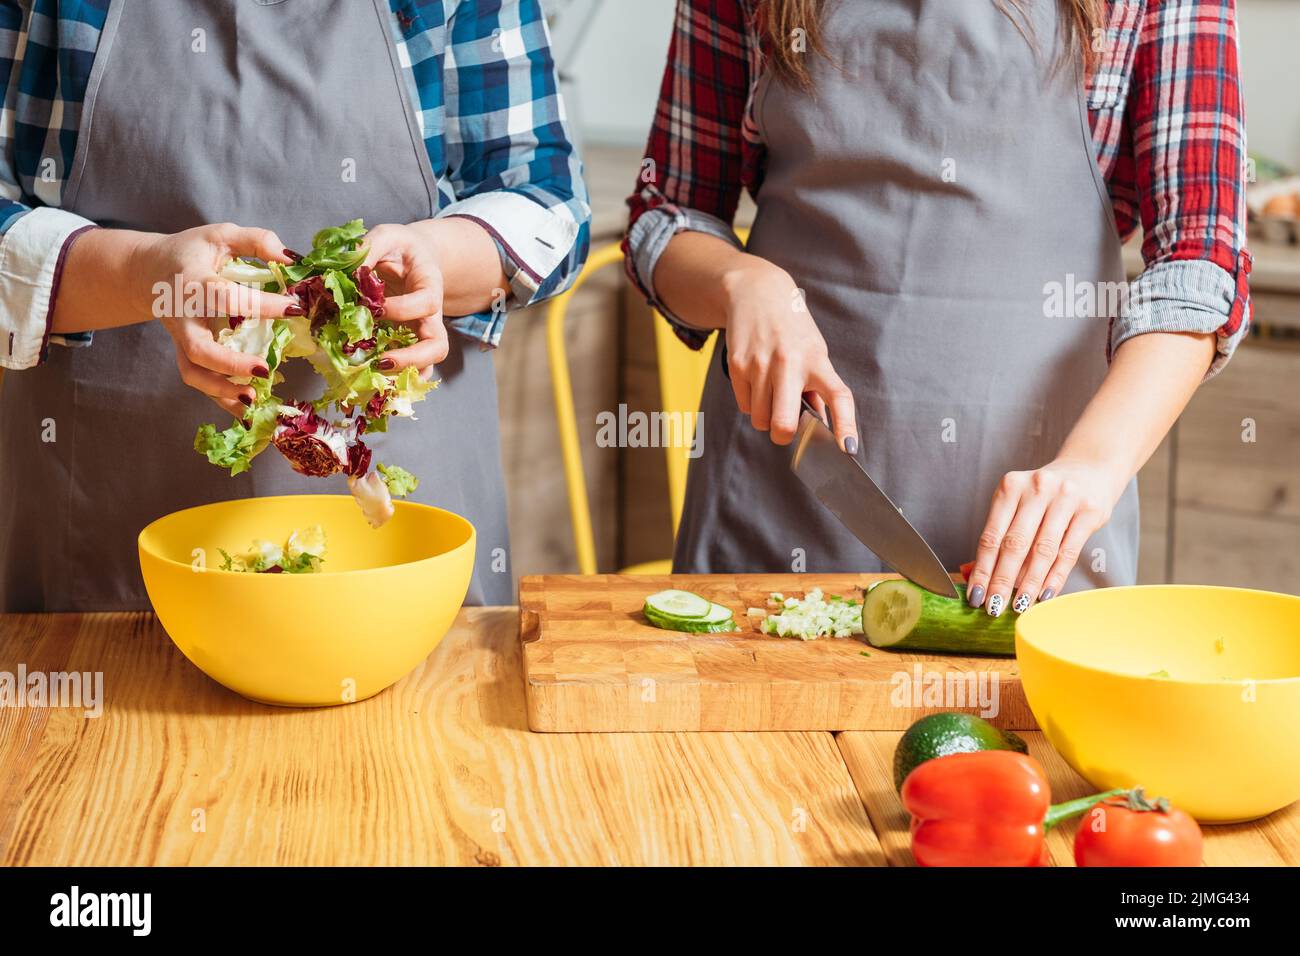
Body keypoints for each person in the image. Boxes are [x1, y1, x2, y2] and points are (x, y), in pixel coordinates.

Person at [626, 0, 1249, 616]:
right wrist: (740, 283)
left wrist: (1091, 467)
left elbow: (1199, 263)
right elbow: (667, 214)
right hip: (780, 498)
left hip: (1035, 534)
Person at [0, 0, 590, 611]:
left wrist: (433, 256)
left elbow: (544, 194)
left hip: (402, 507)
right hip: (105, 508)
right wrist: (145, 274)